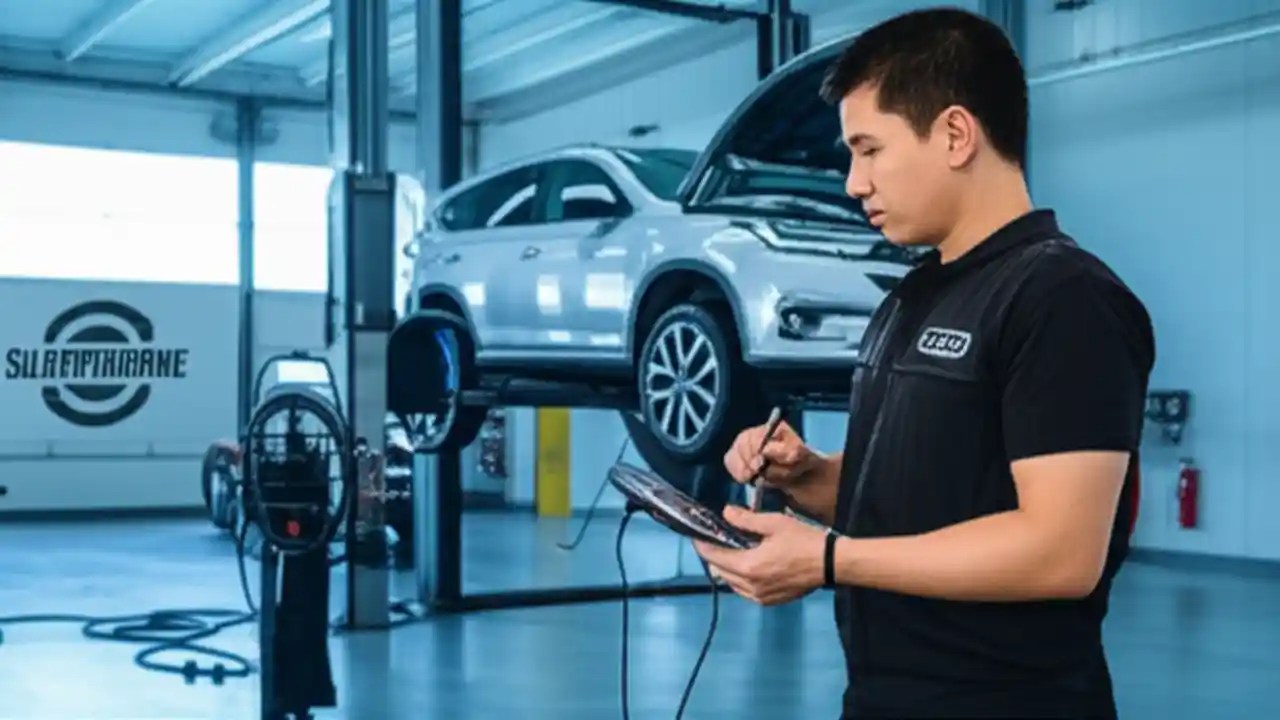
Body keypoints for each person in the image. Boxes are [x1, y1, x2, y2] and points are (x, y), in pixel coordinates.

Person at [692, 7, 1155, 720]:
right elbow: (921, 491)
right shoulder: (910, 299)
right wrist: (808, 475)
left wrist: (826, 560)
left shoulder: (1064, 298)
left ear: (955, 134)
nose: (852, 182)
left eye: (868, 150)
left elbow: (1061, 551)